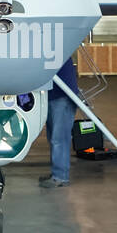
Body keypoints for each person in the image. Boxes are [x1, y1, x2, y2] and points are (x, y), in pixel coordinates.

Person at [40, 56, 79, 188]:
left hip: (62, 96)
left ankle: (60, 177)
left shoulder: (57, 48)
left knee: (59, 138)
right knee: (52, 136)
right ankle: (56, 173)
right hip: (52, 95)